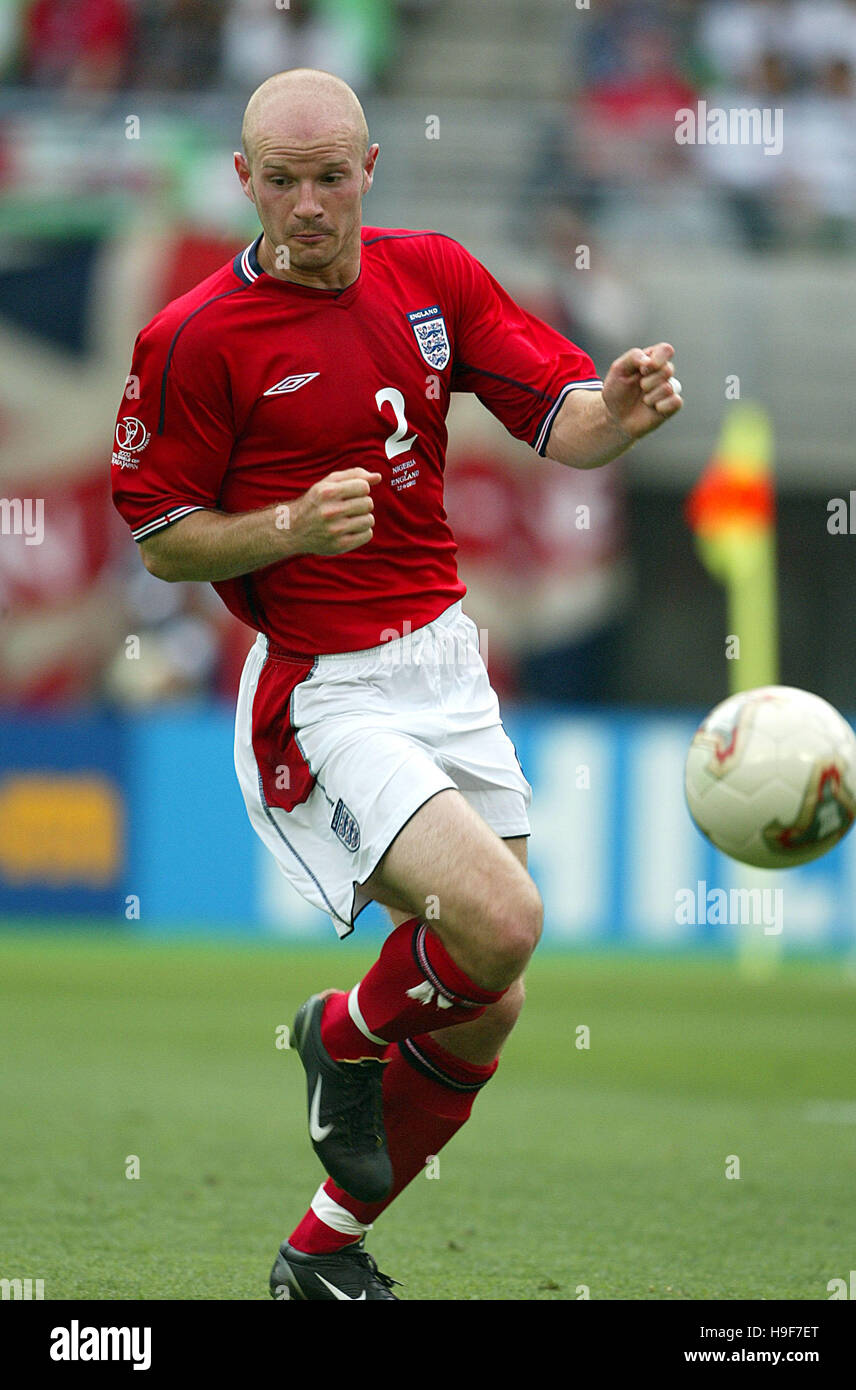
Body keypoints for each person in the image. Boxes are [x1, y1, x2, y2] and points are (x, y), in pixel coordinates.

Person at [110, 67, 682, 1301]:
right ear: (243, 181)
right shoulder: (197, 336)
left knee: (489, 1002)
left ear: (369, 170)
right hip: (327, 688)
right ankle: (345, 1033)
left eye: (330, 177)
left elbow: (563, 419)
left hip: (447, 663)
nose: (308, 204)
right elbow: (160, 534)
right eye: (281, 180)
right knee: (503, 925)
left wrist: (618, 414)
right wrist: (284, 530)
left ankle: (319, 1251)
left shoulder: (432, 275)